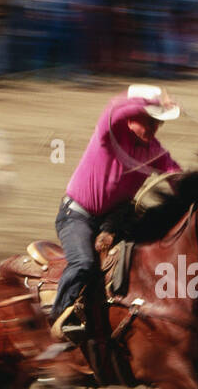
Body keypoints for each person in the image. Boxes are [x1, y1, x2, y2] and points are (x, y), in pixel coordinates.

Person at [50, 84, 182, 338]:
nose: (154, 127)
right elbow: (115, 108)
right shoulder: (109, 133)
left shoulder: (155, 151)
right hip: (76, 215)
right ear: (131, 118)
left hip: (115, 219)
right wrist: (150, 102)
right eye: (148, 120)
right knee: (83, 263)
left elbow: (175, 174)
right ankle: (60, 316)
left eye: (158, 122)